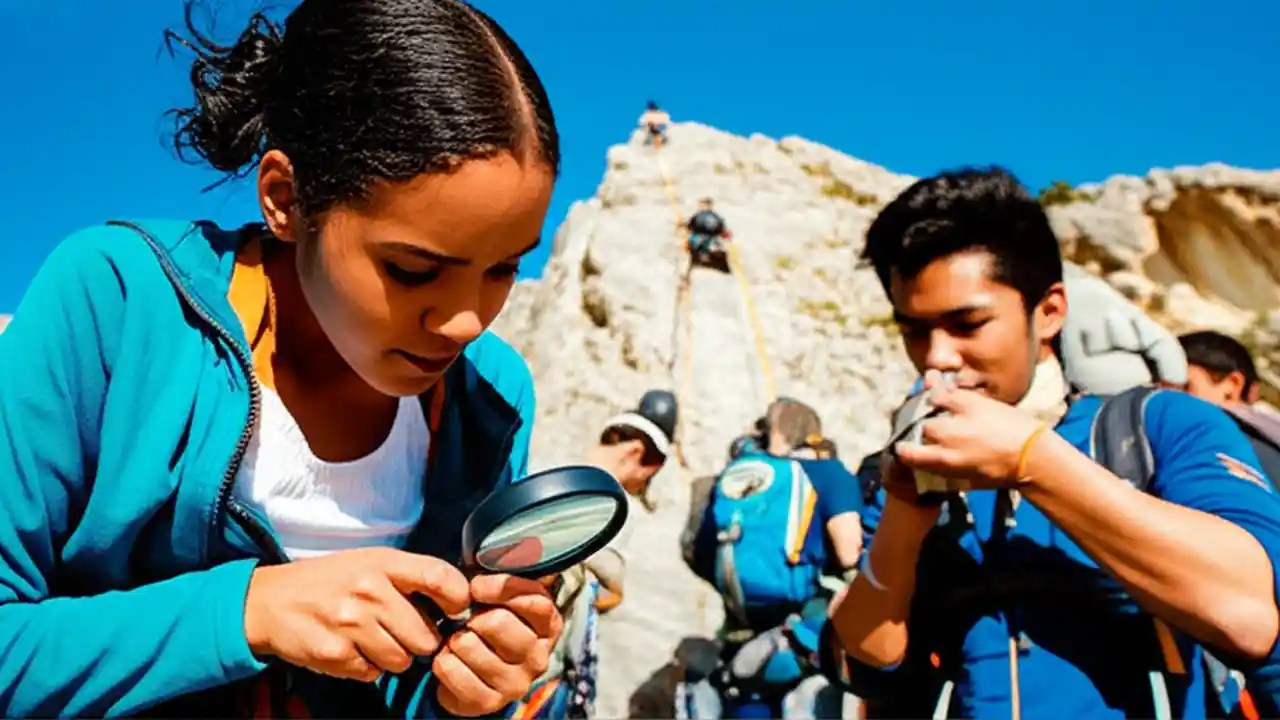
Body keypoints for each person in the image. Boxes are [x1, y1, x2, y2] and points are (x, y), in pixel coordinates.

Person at [0, 1, 564, 717]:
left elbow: (416, 692)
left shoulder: (490, 399)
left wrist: (478, 691)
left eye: (503, 269)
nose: (463, 321)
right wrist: (248, 613)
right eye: (412, 270)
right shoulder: (115, 302)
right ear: (286, 199)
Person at [824, 166, 1280, 720]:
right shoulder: (907, 464)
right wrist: (902, 512)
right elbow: (867, 666)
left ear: (1049, 313)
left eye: (967, 324)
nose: (937, 357)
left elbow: (1250, 616)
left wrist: (1033, 461)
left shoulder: (1159, 426)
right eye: (914, 331)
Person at [682, 398, 863, 719]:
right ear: (814, 436)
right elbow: (850, 552)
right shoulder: (827, 474)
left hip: (740, 636)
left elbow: (697, 551)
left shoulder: (732, 480)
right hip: (802, 636)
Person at [685, 198, 731, 271]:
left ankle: (702, 256)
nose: (700, 207)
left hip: (704, 239)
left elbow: (689, 227)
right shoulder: (701, 216)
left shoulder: (701, 216)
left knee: (697, 243)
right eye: (701, 205)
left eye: (703, 205)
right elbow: (689, 227)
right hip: (704, 238)